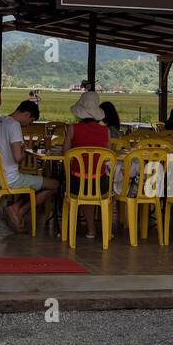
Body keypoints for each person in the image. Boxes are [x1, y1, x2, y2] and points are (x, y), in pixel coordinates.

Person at [0, 100, 59, 233]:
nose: (27, 125)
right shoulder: (14, 125)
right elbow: (18, 158)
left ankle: (16, 208)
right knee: (55, 184)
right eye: (30, 121)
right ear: (27, 114)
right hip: (10, 179)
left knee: (34, 183)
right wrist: (23, 150)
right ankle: (18, 210)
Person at [65, 90, 112, 240]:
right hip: (101, 183)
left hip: (77, 182)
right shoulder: (106, 131)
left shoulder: (73, 129)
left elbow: (66, 152)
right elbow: (108, 154)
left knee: (75, 184)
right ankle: (104, 228)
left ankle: (76, 227)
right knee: (93, 186)